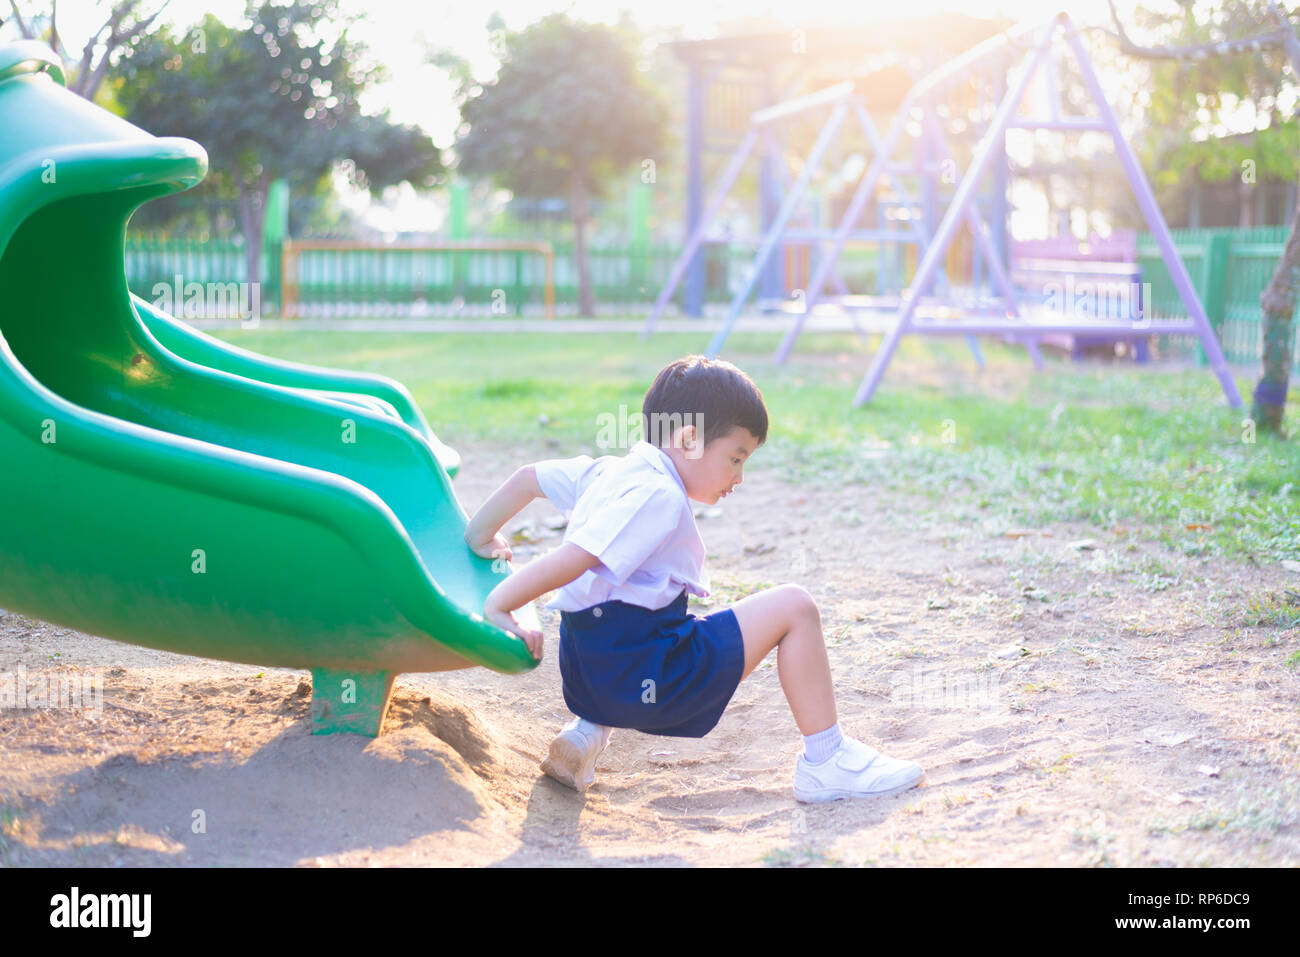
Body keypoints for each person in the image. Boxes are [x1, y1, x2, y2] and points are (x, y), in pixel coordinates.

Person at [462, 354, 924, 802]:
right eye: (736, 458)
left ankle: (585, 734)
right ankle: (827, 761)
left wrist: (480, 533)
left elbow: (528, 478)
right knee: (795, 607)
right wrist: (501, 605)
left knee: (634, 600)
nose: (739, 477)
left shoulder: (606, 471)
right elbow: (575, 558)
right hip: (648, 680)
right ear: (688, 440)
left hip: (585, 677)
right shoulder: (658, 496)